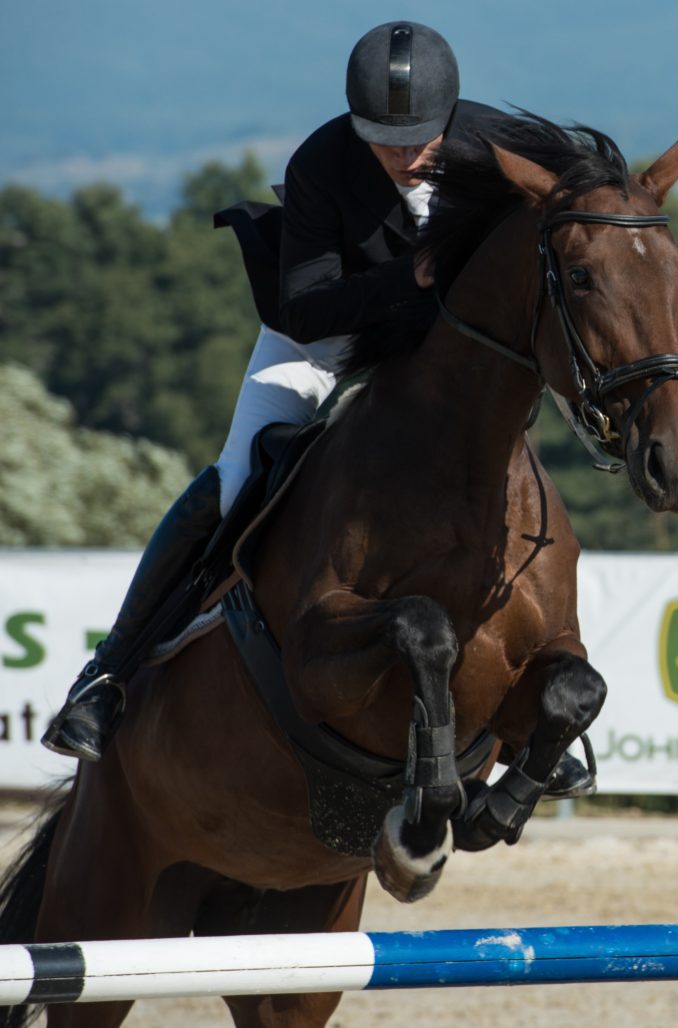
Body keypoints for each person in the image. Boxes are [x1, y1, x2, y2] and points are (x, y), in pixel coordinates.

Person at [41, 21, 594, 801]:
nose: (404, 156)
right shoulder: (323, 162)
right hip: (329, 334)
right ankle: (108, 676)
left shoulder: (501, 146)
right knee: (235, 475)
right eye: (384, 140)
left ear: (451, 115)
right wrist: (412, 278)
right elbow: (305, 307)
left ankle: (537, 713)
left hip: (451, 349)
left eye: (419, 138)